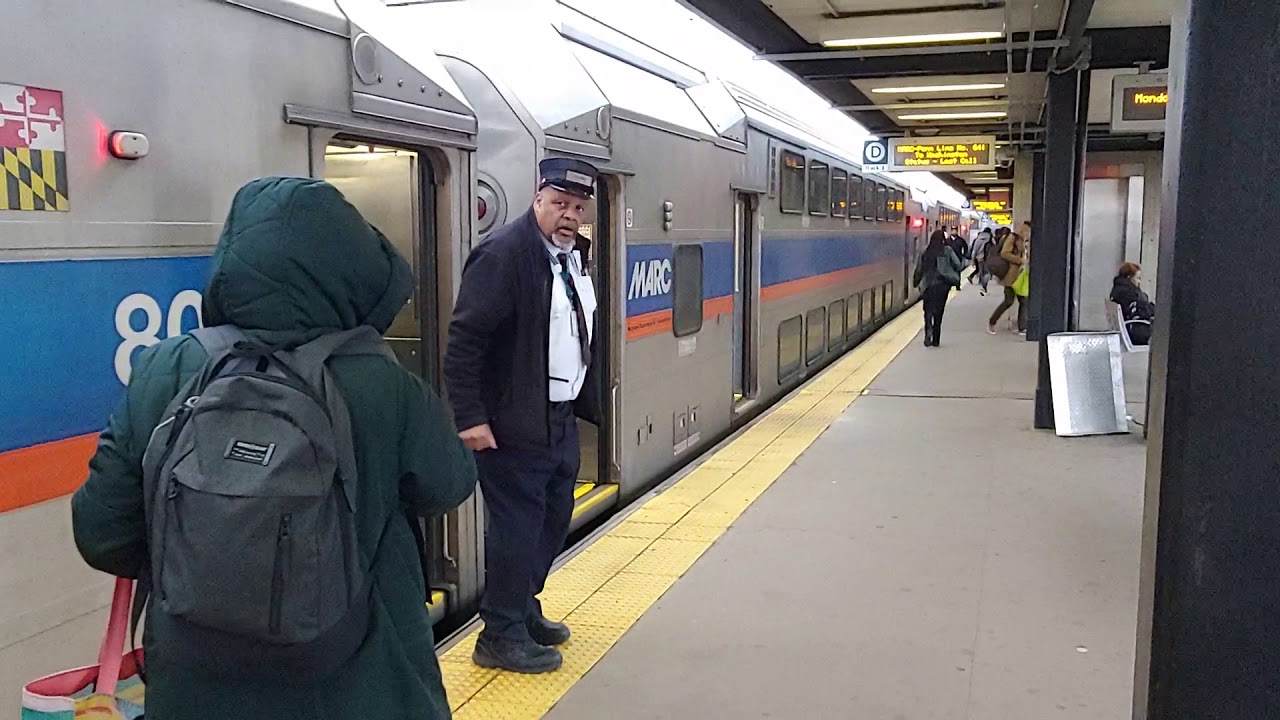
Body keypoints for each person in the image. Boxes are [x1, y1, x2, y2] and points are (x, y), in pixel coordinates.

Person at [71, 177, 477, 720]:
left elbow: (102, 535)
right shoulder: (384, 383)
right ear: (353, 268)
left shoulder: (166, 368)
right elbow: (449, 485)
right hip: (361, 684)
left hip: (196, 689)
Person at [444, 157, 602, 674]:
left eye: (577, 207)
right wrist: (470, 416)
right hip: (513, 420)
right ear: (537, 199)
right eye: (559, 203)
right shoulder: (502, 256)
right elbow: (465, 342)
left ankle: (522, 606)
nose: (568, 215)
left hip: (559, 416)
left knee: (552, 519)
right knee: (516, 529)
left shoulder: (574, 257)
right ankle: (499, 634)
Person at [913, 229, 964, 347]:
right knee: (939, 312)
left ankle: (928, 333)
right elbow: (958, 265)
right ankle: (936, 339)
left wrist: (916, 282)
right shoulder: (947, 250)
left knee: (928, 310)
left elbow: (919, 269)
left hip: (927, 285)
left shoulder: (926, 251)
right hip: (942, 286)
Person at [987, 230, 1028, 335]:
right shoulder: (1013, 238)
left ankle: (1022, 327)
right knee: (1008, 301)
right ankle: (992, 321)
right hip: (1012, 276)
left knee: (1023, 301)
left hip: (1021, 276)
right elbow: (1004, 253)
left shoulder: (1024, 239)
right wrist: (1020, 260)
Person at [1110, 261, 1154, 345]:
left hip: (1128, 328)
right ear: (1129, 277)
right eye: (1138, 278)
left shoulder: (1118, 290)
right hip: (1135, 331)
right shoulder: (1128, 293)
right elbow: (1142, 309)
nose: (1139, 282)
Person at [968, 226, 993, 292]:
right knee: (987, 271)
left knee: (981, 271)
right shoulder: (991, 238)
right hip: (989, 257)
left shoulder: (978, 239)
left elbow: (974, 250)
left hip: (979, 258)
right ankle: (984, 283)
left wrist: (973, 259)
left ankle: (982, 283)